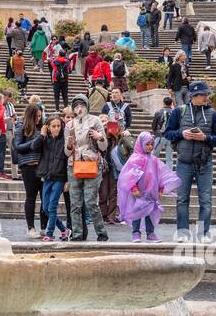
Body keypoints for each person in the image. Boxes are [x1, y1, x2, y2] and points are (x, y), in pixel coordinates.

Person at [165, 81, 216, 243]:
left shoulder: (213, 113)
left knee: (205, 200)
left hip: (205, 162)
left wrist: (205, 138)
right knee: (181, 199)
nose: (206, 97)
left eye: (206, 94)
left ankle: (203, 233)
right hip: (184, 162)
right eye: (203, 95)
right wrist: (181, 133)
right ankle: (183, 233)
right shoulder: (179, 112)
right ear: (193, 96)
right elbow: (167, 133)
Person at [118, 131, 178, 244]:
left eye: (152, 144)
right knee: (137, 211)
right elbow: (130, 175)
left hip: (151, 192)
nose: (150, 147)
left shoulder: (154, 160)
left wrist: (161, 188)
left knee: (151, 211)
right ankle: (136, 233)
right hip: (138, 192)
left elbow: (160, 174)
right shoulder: (135, 159)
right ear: (140, 144)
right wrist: (134, 188)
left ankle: (150, 233)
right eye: (147, 144)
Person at [64, 95, 108, 242]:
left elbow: (104, 147)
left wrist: (99, 137)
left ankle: (101, 233)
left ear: (87, 106)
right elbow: (66, 152)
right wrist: (69, 145)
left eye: (82, 105)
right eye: (76, 106)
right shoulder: (69, 125)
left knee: (90, 202)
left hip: (92, 164)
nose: (79, 108)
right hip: (74, 165)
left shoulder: (95, 121)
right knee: (75, 204)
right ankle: (77, 235)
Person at [13, 103, 45, 237]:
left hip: (43, 166)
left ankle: (44, 227)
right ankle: (30, 228)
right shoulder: (22, 126)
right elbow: (18, 146)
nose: (38, 119)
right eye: (36, 116)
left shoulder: (42, 127)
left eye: (40, 116)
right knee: (31, 197)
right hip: (29, 166)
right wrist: (35, 142)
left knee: (45, 198)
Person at [37, 114, 71, 242]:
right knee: (45, 208)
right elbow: (34, 147)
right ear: (48, 127)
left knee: (52, 206)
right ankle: (63, 229)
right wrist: (42, 134)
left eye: (58, 126)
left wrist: (68, 180)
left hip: (60, 177)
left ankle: (50, 233)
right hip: (47, 177)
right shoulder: (45, 140)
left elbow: (68, 159)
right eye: (53, 126)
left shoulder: (65, 140)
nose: (56, 128)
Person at [151, 95, 176, 171]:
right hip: (171, 137)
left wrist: (155, 132)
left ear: (163, 103)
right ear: (171, 103)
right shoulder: (175, 113)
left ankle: (152, 170)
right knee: (169, 157)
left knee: (153, 155)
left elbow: (154, 125)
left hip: (160, 136)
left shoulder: (159, 112)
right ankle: (169, 174)